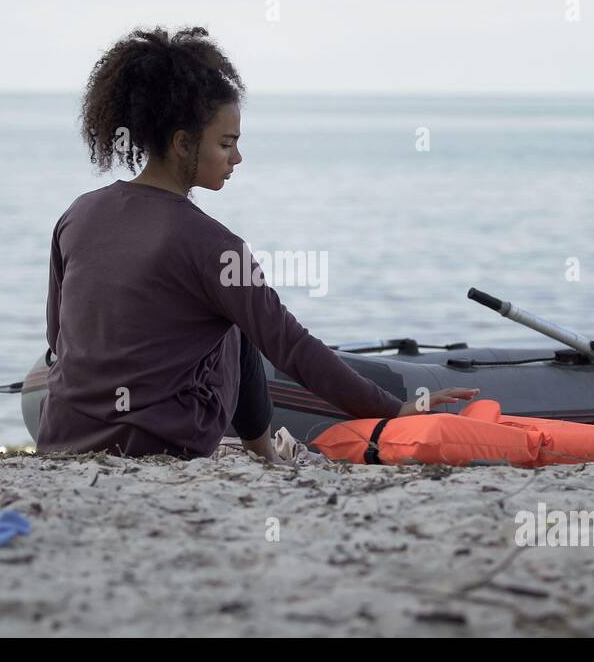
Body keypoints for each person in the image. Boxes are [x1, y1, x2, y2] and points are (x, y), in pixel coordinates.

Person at [37, 26, 476, 461]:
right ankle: (263, 451)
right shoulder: (214, 245)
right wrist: (393, 410)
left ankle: (260, 449)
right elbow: (291, 346)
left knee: (220, 308)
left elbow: (58, 335)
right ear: (183, 143)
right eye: (226, 144)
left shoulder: (79, 213)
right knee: (237, 321)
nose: (237, 158)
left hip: (60, 436)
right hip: (161, 445)